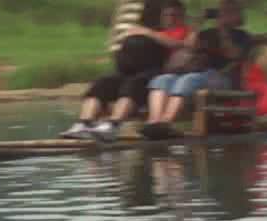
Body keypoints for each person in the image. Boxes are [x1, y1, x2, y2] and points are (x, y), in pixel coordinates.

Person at [139, 0, 267, 139]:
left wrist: (222, 29)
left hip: (225, 79)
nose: (224, 15)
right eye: (222, 11)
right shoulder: (207, 33)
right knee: (162, 79)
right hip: (200, 75)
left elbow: (233, 54)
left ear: (238, 16)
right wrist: (200, 23)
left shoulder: (242, 36)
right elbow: (189, 47)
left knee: (189, 79)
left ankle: (166, 122)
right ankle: (154, 121)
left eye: (229, 12)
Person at [60, 0, 193, 141]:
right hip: (130, 68)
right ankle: (83, 123)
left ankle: (113, 125)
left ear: (182, 16)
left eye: (175, 15)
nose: (171, 19)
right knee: (103, 83)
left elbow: (181, 45)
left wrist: (148, 33)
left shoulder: (187, 32)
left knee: (134, 84)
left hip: (156, 73)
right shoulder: (154, 29)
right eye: (167, 15)